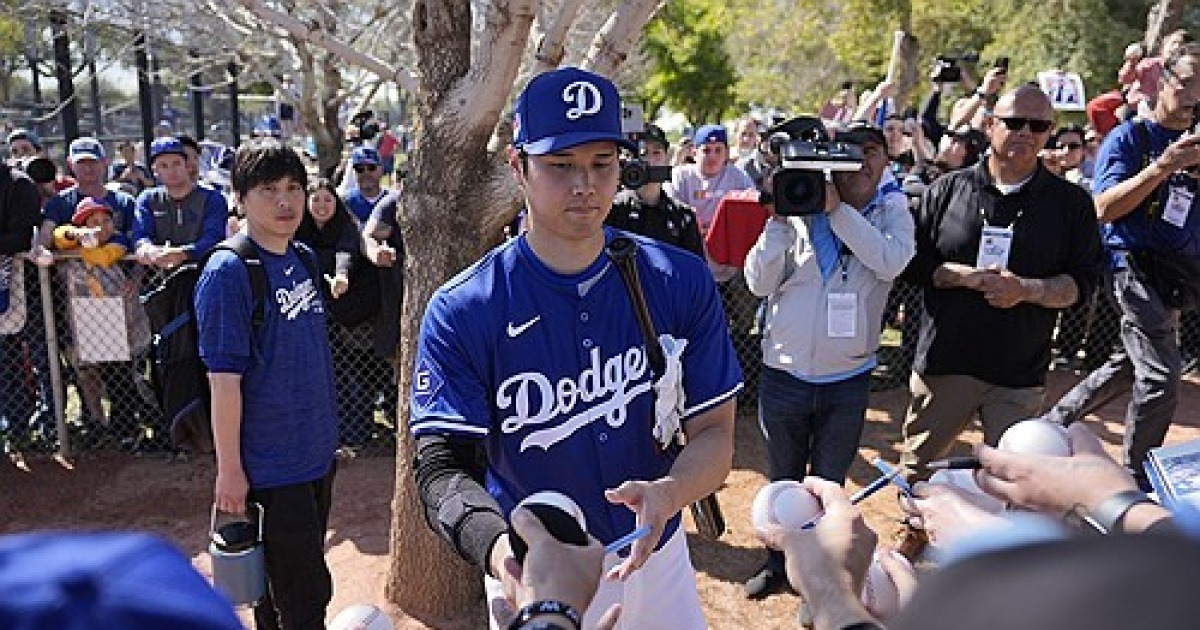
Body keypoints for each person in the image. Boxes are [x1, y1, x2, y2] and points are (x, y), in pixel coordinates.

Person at [409, 66, 742, 630]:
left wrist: (669, 493)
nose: (584, 184)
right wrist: (503, 556)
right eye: (560, 165)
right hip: (536, 570)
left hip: (656, 555)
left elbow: (715, 433)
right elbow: (442, 471)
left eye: (601, 163)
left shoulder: (678, 278)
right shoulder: (465, 307)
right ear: (518, 167)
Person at [894, 85, 1104, 555]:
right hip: (947, 362)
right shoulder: (947, 189)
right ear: (989, 125)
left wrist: (1026, 289)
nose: (1025, 133)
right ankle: (912, 539)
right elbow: (912, 263)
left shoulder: (1070, 204)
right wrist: (961, 277)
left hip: (1019, 370)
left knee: (1017, 477)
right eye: (1014, 122)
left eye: (1039, 126)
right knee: (920, 465)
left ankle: (1003, 566)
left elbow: (1084, 283)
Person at [741, 121, 915, 598]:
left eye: (871, 151)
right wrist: (779, 221)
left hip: (847, 378)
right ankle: (778, 565)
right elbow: (758, 282)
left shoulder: (892, 210)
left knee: (827, 486)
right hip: (784, 373)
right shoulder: (799, 205)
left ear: (884, 161)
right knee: (782, 483)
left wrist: (836, 211)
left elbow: (891, 261)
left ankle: (819, 581)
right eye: (850, 151)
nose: (861, 161)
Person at [1041, 43, 1200, 490]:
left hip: (1176, 275)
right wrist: (1163, 168)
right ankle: (1137, 477)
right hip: (1131, 266)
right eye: (1187, 83)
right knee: (1161, 374)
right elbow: (1102, 208)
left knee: (1130, 365)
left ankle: (1053, 423)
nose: (1194, 97)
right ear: (1162, 83)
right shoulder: (1130, 137)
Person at [196, 140, 338, 630]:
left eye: (294, 188)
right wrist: (230, 471)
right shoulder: (228, 272)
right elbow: (223, 383)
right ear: (240, 197)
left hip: (315, 454)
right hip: (271, 467)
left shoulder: (303, 256)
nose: (285, 201)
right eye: (269, 189)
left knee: (284, 594)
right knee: (303, 600)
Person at [295, 179, 387, 452]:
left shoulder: (347, 226)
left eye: (328, 199)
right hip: (317, 311)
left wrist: (342, 275)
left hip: (354, 311)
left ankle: (357, 432)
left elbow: (345, 253)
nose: (322, 206)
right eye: (316, 200)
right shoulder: (298, 229)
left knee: (356, 374)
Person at [605, 124, 704, 256]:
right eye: (643, 154)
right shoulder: (612, 210)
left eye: (656, 153)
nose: (650, 161)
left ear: (666, 158)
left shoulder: (682, 216)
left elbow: (694, 264)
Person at [0, 159, 43, 461]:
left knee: (27, 361)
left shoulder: (18, 184)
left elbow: (22, 237)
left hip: (24, 291)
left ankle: (26, 430)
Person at [133, 137, 228, 270]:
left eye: (176, 163)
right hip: (158, 275)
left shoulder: (213, 199)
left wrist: (184, 253)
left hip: (204, 272)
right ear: (155, 170)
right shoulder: (147, 199)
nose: (171, 171)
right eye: (163, 166)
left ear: (187, 166)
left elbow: (214, 237)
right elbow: (140, 234)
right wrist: (147, 248)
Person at [342, 147, 386, 222]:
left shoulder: (393, 201)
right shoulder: (345, 202)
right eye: (359, 169)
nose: (366, 173)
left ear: (381, 170)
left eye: (371, 168)